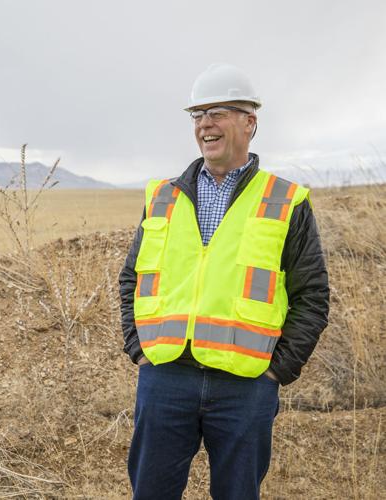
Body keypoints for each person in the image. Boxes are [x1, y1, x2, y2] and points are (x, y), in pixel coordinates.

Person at [118, 63, 329, 499]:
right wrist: (138, 350)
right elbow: (131, 279)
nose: (205, 124)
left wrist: (277, 371)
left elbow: (312, 296)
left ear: (250, 123)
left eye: (217, 113)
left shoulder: (285, 200)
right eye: (197, 115)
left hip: (245, 386)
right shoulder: (162, 196)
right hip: (165, 377)